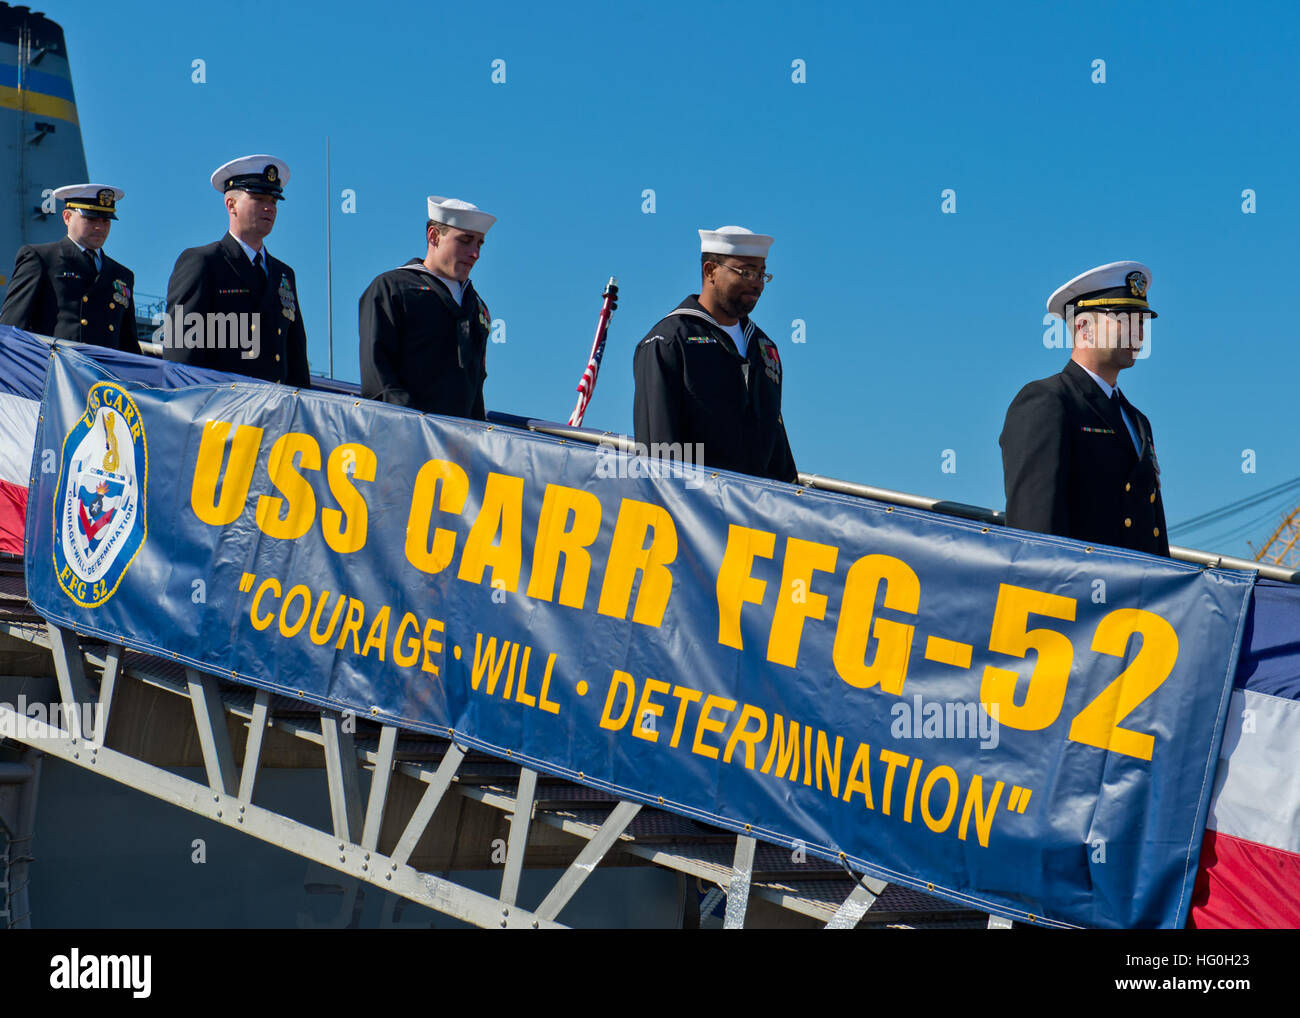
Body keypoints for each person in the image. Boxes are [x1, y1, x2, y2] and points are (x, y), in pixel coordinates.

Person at [1000, 260, 1168, 556]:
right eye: (1125, 319)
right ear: (1084, 327)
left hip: (1136, 597)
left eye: (1141, 321)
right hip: (1079, 594)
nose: (1138, 332)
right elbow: (1035, 529)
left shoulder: (1138, 421)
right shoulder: (1048, 401)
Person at [633, 226, 796, 482]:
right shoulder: (669, 341)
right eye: (746, 272)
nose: (757, 284)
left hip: (756, 511)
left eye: (762, 274)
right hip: (697, 509)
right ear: (711, 271)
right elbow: (658, 448)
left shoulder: (766, 349)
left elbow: (777, 447)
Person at [163, 154, 309, 386]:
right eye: (259, 199)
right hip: (221, 412)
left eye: (273, 201)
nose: (269, 208)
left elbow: (296, 356)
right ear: (231, 205)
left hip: (275, 412)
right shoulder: (203, 262)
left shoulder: (283, 274)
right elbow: (181, 351)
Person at [358, 196, 496, 419]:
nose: (475, 254)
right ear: (434, 236)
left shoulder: (478, 307)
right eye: (465, 240)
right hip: (405, 438)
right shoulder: (392, 288)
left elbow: (475, 387)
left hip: (460, 445)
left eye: (479, 243)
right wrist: (418, 428)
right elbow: (379, 378)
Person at [0, 184, 140, 353]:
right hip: (57, 371)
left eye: (105, 220)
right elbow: (11, 327)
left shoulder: (122, 275)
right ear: (67, 217)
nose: (99, 227)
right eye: (90, 218)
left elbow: (128, 343)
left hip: (105, 376)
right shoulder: (41, 259)